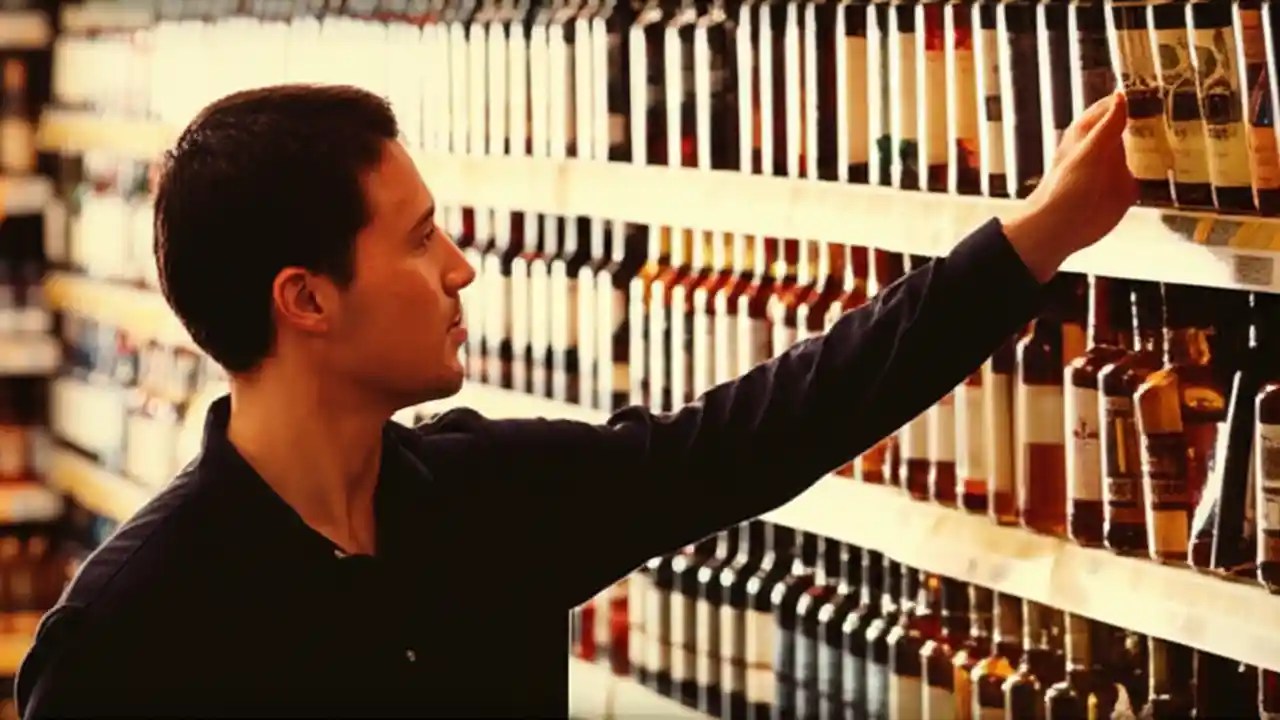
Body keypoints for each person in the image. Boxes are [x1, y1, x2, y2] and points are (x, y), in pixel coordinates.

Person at [17, 84, 1136, 718]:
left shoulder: (481, 499)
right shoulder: (129, 637)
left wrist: (1032, 238)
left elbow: (759, 432)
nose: (459, 268)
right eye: (419, 240)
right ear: (305, 299)